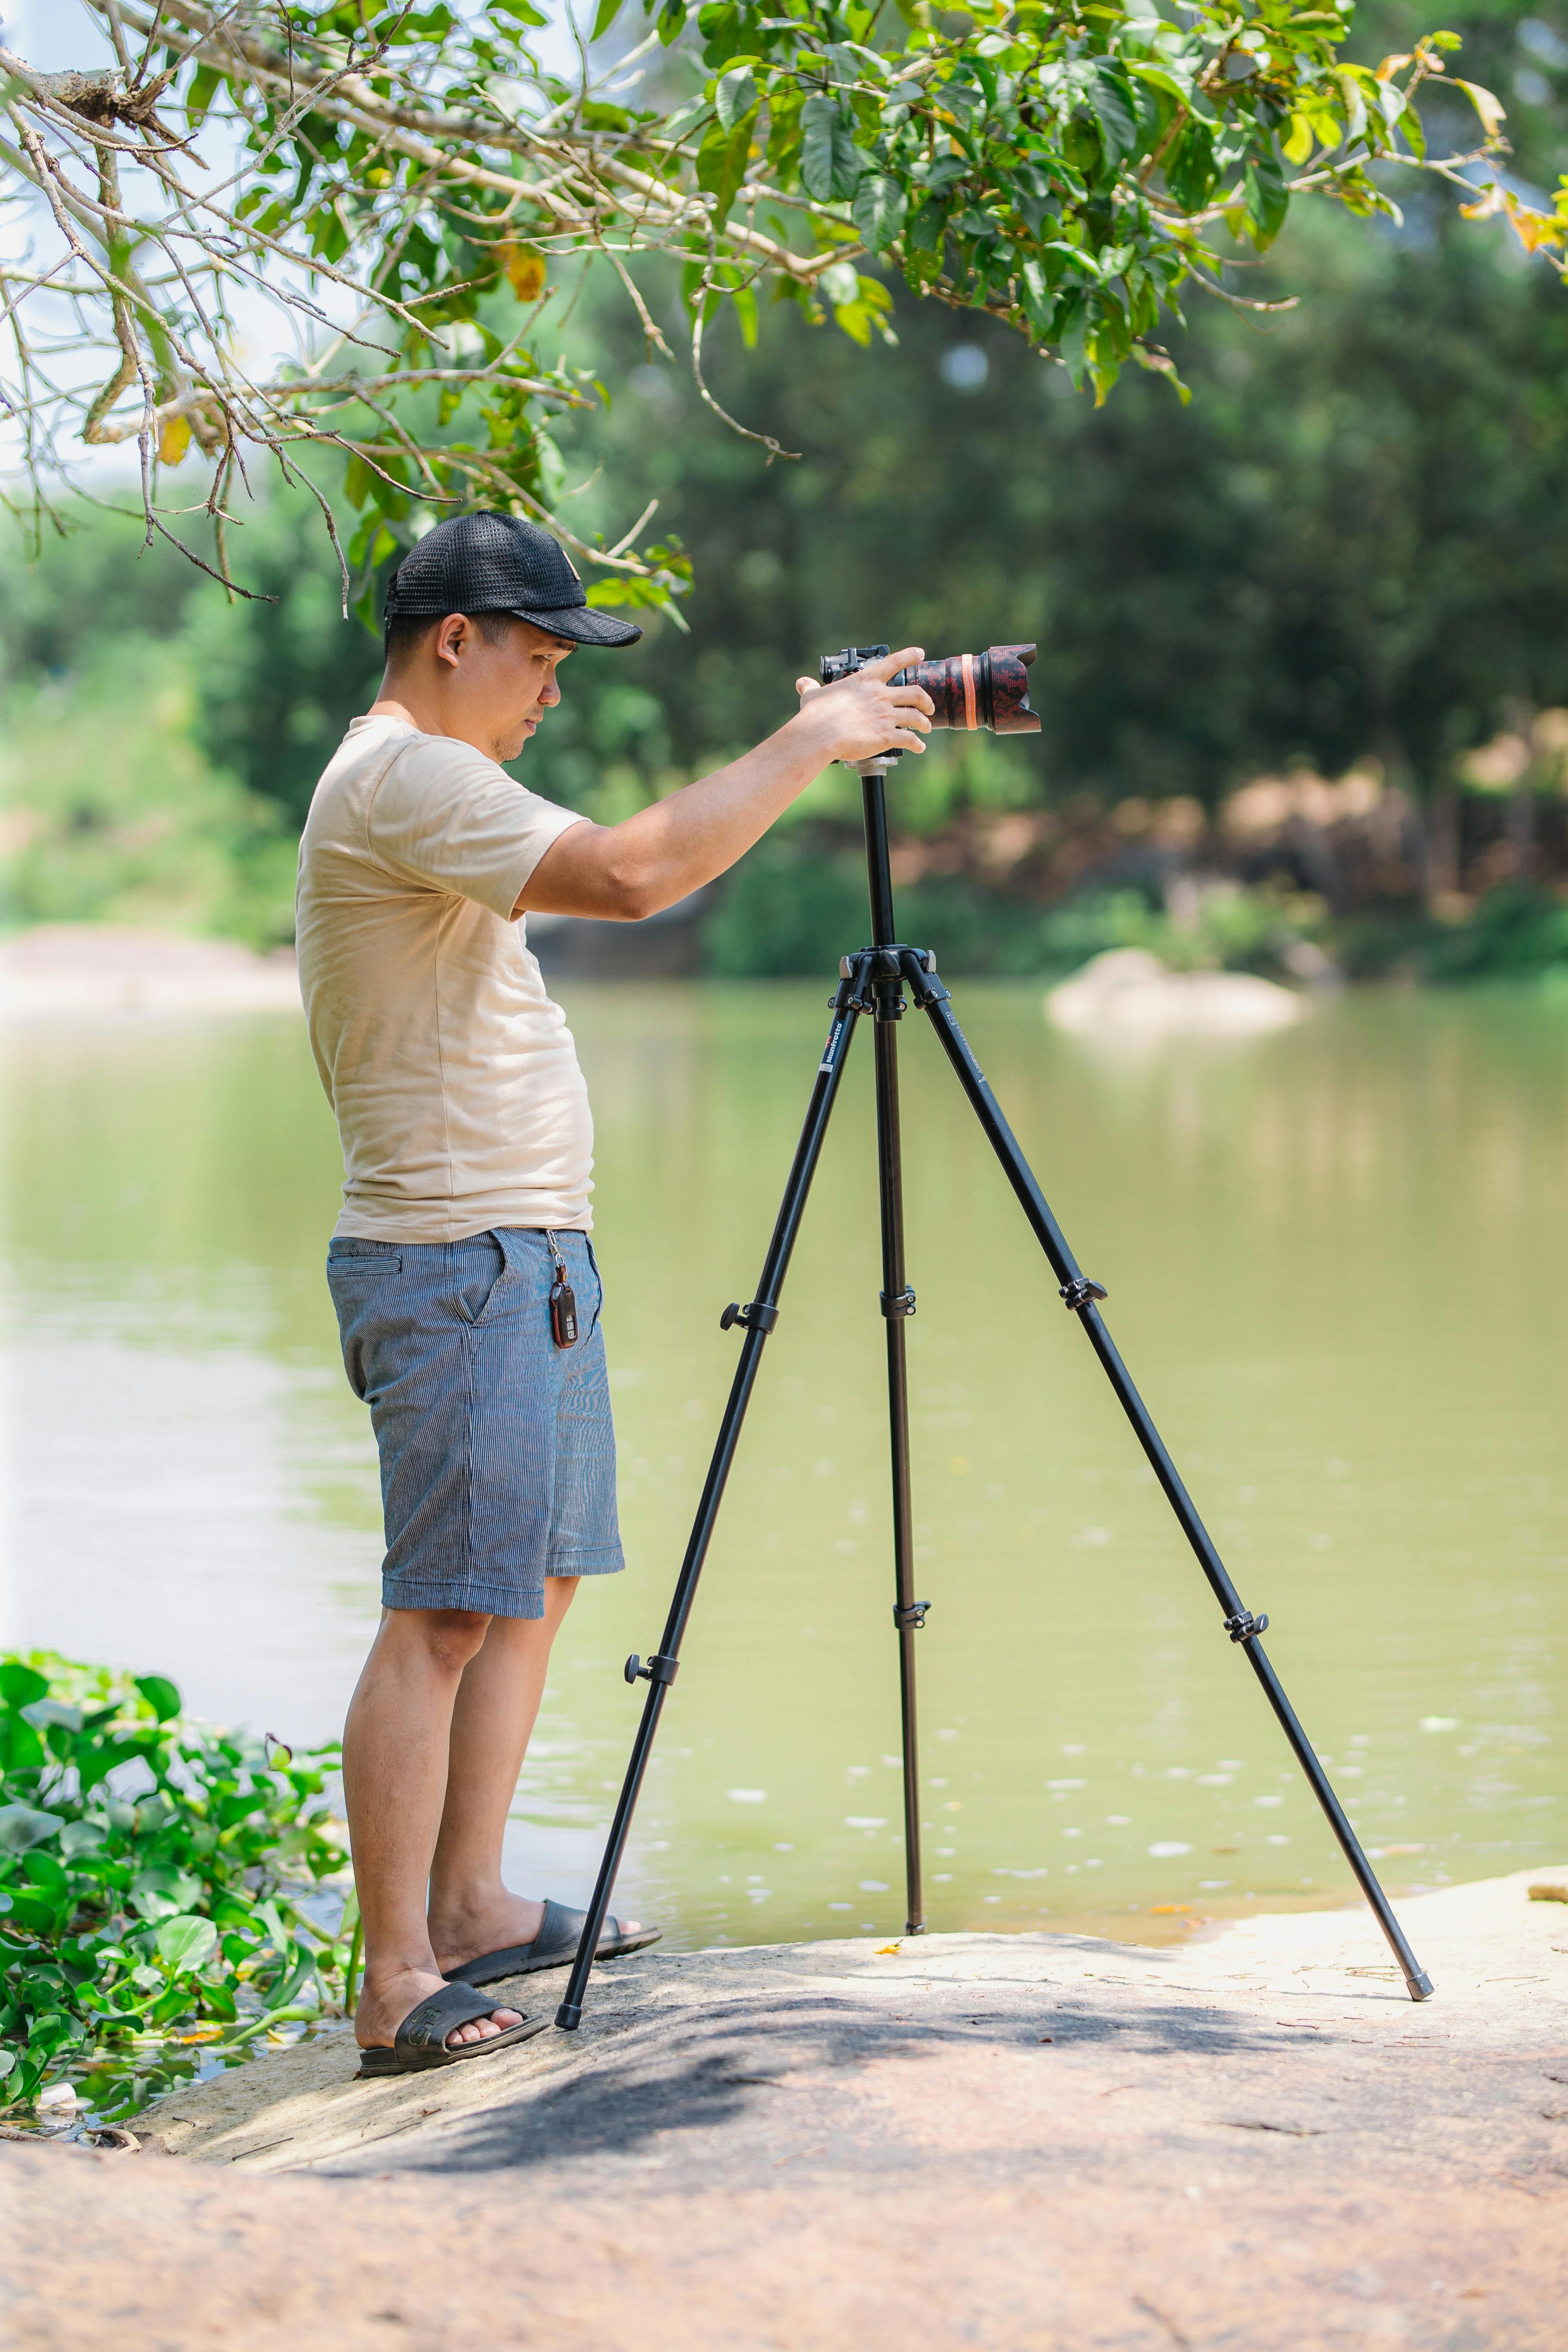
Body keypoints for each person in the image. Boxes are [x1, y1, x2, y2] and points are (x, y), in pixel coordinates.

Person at [295, 510, 934, 2073]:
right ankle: (392, 1987)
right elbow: (636, 876)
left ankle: (471, 1905)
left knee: (534, 1583)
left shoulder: (437, 780)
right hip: (455, 1255)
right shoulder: (404, 774)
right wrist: (811, 739)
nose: (554, 691)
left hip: (523, 1252)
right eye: (540, 655)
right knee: (444, 1612)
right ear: (456, 639)